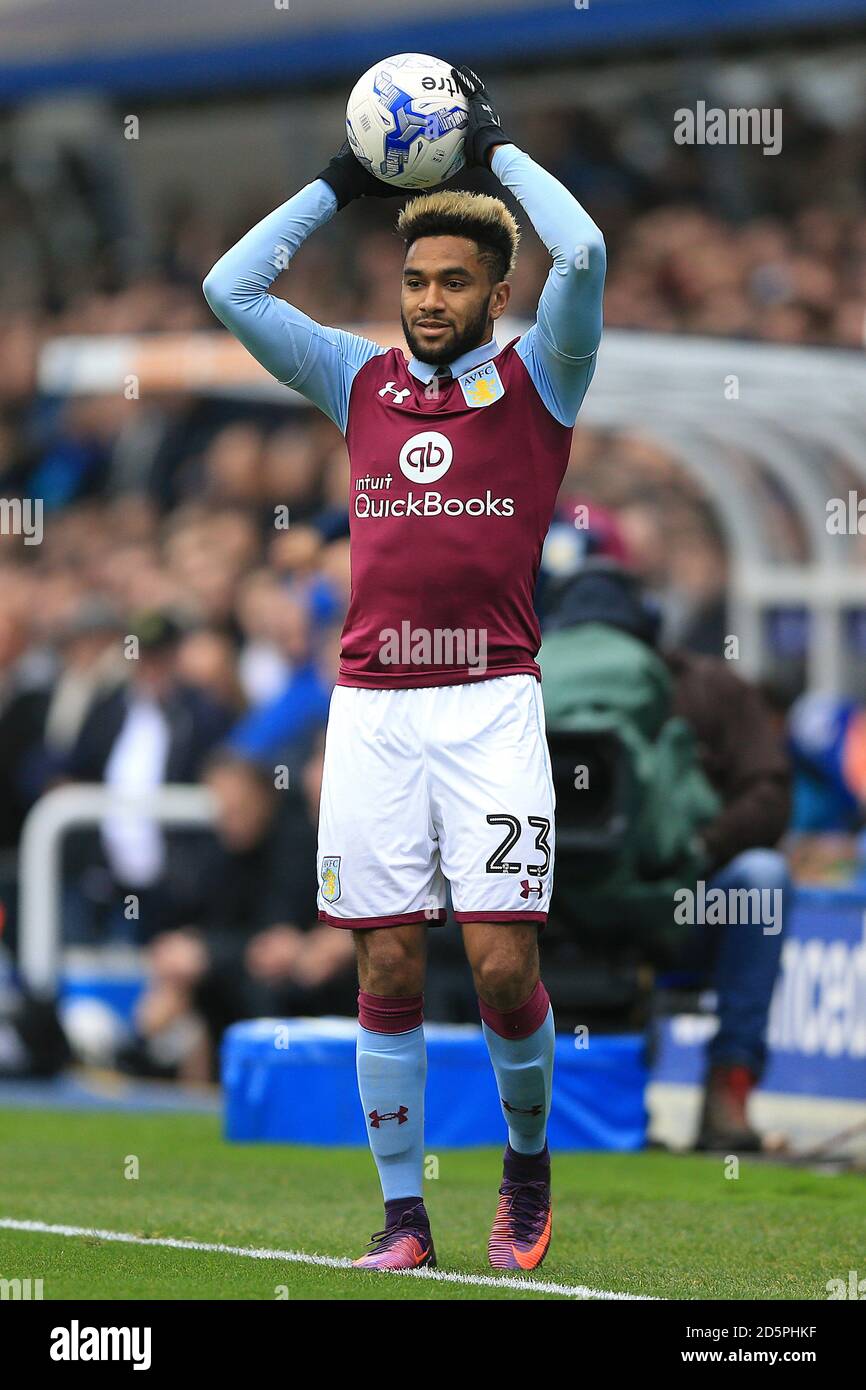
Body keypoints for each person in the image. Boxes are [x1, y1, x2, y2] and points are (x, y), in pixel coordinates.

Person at [203, 66, 606, 1272]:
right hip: (373, 708)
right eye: (415, 280)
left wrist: (487, 155)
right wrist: (344, 173)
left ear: (491, 288)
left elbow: (579, 251)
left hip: (490, 704)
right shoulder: (355, 379)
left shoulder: (543, 377)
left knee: (497, 963)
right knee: (382, 956)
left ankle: (525, 1169)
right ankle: (403, 1218)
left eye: (452, 281)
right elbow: (229, 285)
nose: (428, 299)